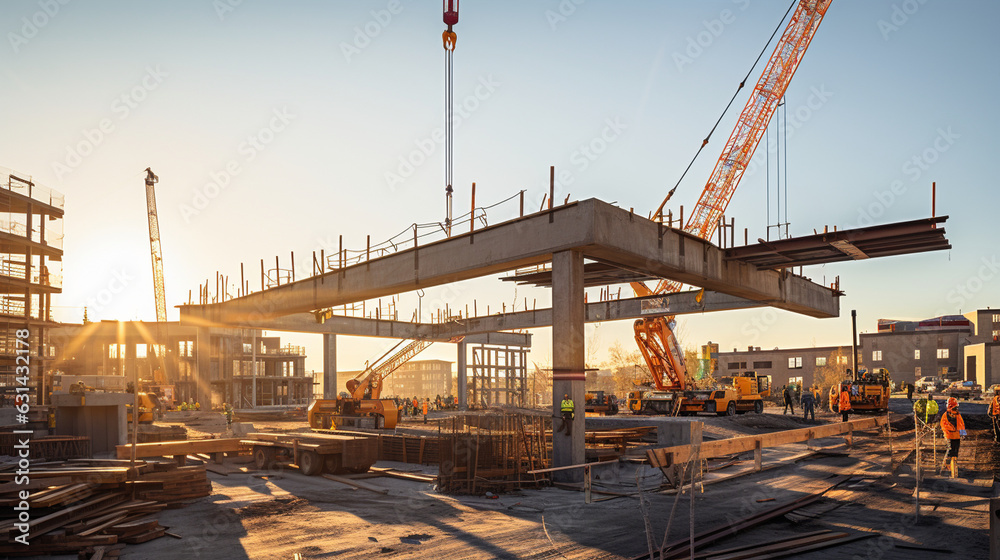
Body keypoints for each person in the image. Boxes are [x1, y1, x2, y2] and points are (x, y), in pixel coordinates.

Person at [940, 397, 966, 478]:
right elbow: (944, 426)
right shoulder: (945, 416)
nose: (956, 409)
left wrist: (962, 434)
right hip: (949, 436)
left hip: (956, 436)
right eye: (954, 407)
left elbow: (961, 425)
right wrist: (952, 431)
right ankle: (945, 468)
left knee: (955, 451)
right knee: (950, 450)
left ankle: (953, 467)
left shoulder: (958, 415)